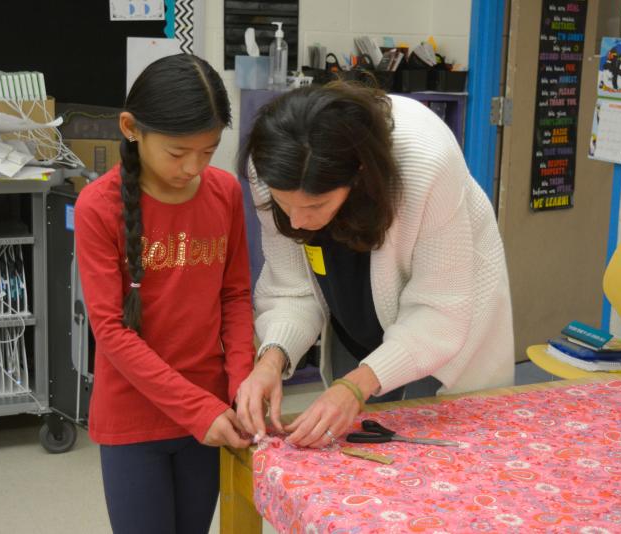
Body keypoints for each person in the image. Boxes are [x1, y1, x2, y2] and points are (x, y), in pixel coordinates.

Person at [236, 82, 514, 450]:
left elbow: (439, 312)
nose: (298, 222)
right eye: (285, 205)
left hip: (444, 336)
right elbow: (291, 287)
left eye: (316, 207)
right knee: (353, 447)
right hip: (356, 316)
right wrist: (271, 360)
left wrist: (355, 385)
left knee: (428, 456)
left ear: (359, 172)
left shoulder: (427, 162)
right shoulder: (272, 164)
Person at [74, 54, 253, 534]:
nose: (193, 167)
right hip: (134, 419)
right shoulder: (98, 207)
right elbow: (111, 331)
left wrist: (241, 386)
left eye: (209, 151)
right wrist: (199, 409)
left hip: (212, 413)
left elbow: (235, 296)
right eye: (178, 153)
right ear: (132, 128)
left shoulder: (226, 193)